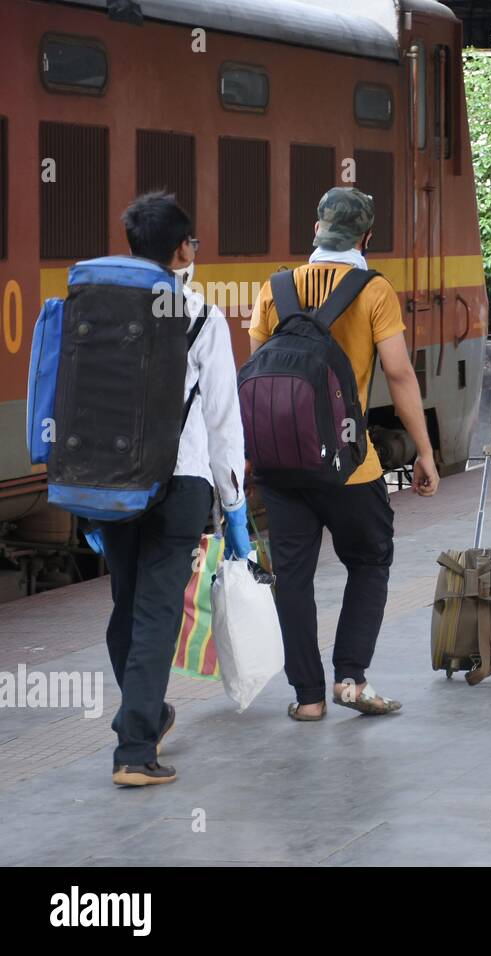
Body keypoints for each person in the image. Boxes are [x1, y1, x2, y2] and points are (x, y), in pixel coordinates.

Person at [250, 187, 438, 720]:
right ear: (367, 238)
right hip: (351, 464)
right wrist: (423, 451)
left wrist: (245, 455)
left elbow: (256, 376)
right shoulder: (374, 290)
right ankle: (350, 680)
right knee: (369, 560)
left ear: (316, 229)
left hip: (281, 463)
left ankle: (307, 698)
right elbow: (400, 375)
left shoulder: (275, 287)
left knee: (294, 576)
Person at [99, 192, 247, 785]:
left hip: (111, 483)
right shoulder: (201, 315)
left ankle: (148, 714)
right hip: (180, 482)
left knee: (126, 609)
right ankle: (134, 750)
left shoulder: (99, 309)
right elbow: (221, 419)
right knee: (158, 611)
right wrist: (233, 506)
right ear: (182, 249)